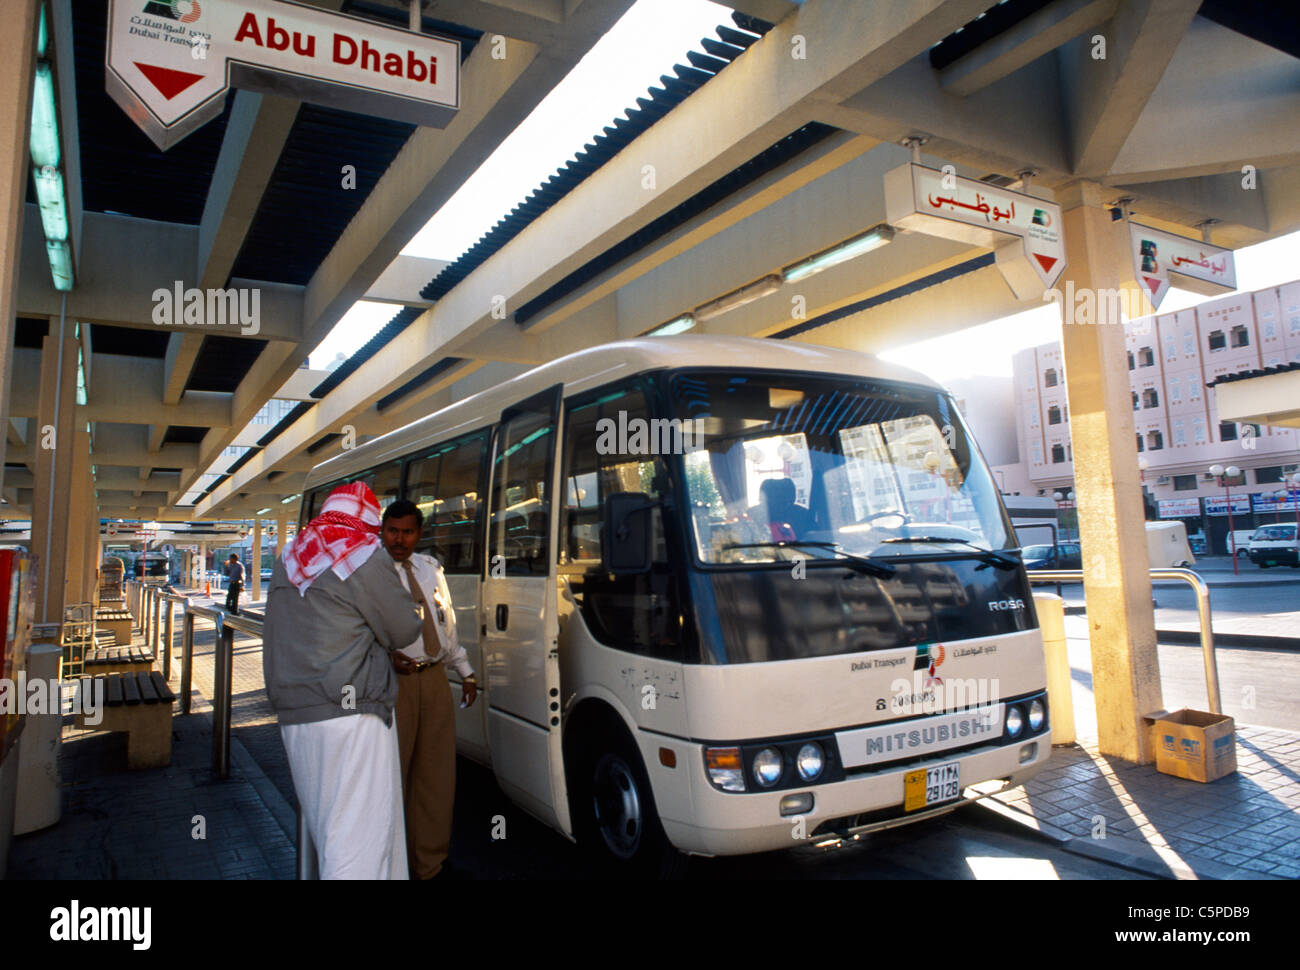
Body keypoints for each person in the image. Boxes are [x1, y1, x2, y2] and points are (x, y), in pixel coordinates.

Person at [263, 483, 423, 880]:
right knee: (357, 841)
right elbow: (403, 629)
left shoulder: (290, 556)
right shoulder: (362, 554)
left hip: (297, 716)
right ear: (368, 520)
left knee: (329, 829)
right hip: (351, 717)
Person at [379, 499, 477, 880]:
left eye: (406, 532)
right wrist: (383, 657)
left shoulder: (430, 569)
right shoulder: (370, 572)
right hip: (392, 682)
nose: (398, 539)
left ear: (418, 534)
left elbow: (446, 624)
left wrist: (465, 672)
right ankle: (391, 864)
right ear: (382, 531)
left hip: (433, 677)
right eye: (392, 530)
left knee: (436, 776)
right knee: (392, 776)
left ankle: (430, 864)